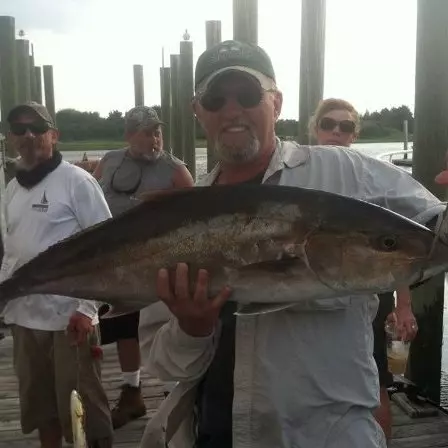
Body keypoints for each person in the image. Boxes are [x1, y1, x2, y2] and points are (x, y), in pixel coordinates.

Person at [139, 40, 447, 448]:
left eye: (248, 95)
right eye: (215, 99)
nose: (232, 111)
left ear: (276, 102)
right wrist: (194, 329)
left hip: (328, 436)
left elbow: (434, 226)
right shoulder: (177, 220)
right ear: (198, 112)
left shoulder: (348, 172)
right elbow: (162, 363)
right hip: (215, 431)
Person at [0, 102, 113, 448]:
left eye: (37, 127)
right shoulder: (12, 189)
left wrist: (87, 308)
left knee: (84, 413)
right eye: (19, 129)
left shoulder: (78, 182)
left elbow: (108, 247)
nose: (28, 135)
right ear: (10, 138)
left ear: (54, 135)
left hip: (70, 320)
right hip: (24, 318)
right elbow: (12, 252)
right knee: (41, 410)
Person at [308, 97, 419, 442]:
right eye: (328, 124)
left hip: (364, 297)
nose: (336, 132)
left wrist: (403, 306)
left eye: (346, 127)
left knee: (375, 382)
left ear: (354, 135)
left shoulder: (374, 179)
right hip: (308, 297)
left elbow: (402, 249)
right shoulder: (297, 175)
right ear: (315, 129)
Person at [92, 105, 194, 430]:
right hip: (113, 263)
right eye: (146, 132)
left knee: (167, 325)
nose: (154, 139)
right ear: (128, 135)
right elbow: (88, 193)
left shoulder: (176, 171)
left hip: (161, 264)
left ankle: (171, 395)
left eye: (157, 131)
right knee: (123, 325)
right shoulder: (109, 161)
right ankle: (132, 391)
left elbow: (198, 216)